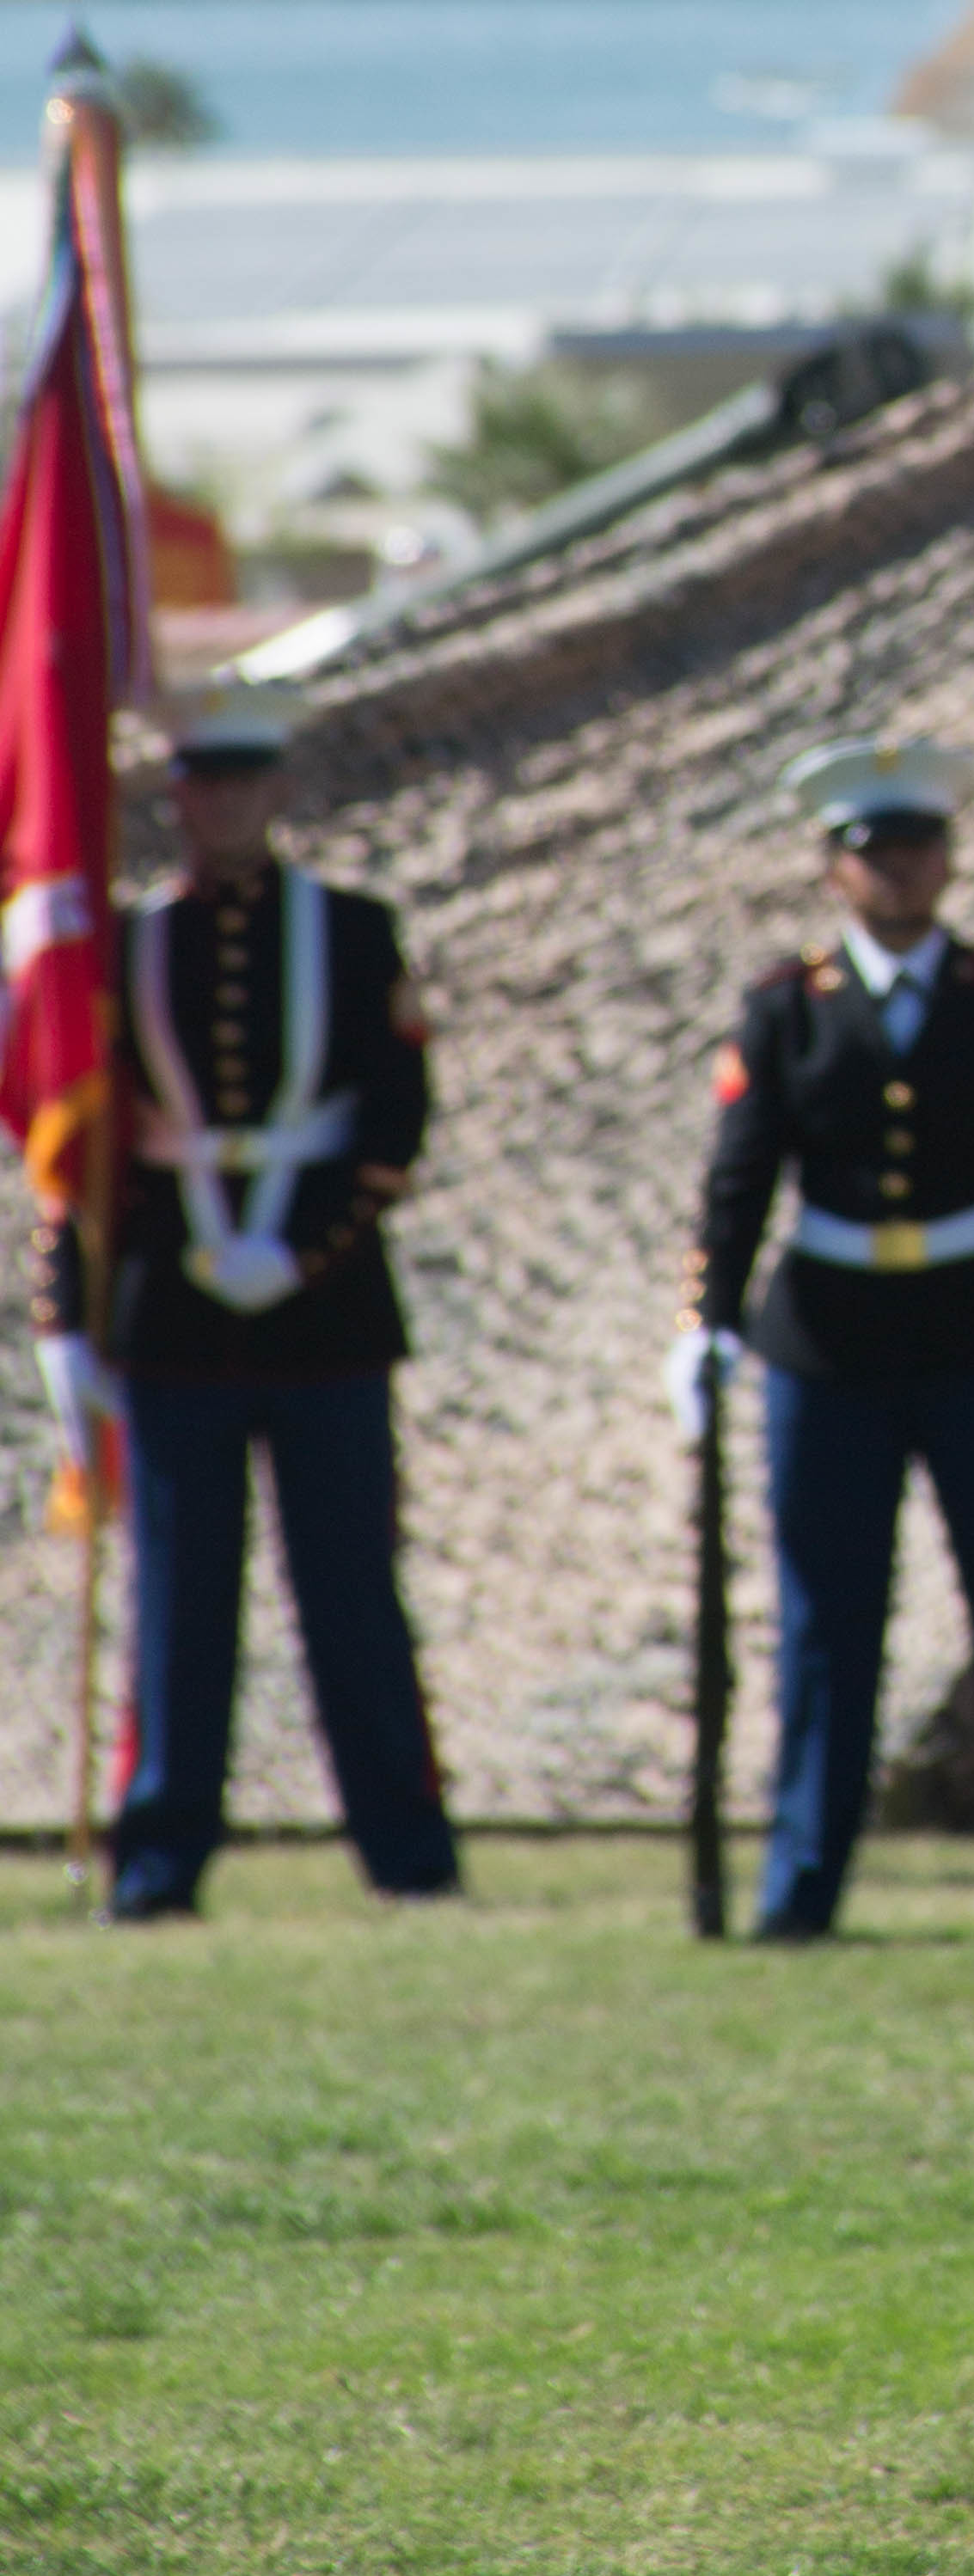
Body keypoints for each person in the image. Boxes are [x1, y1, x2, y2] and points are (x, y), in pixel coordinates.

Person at [672, 736, 974, 1938]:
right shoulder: (786, 1006)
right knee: (828, 1621)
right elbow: (741, 1173)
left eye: (918, 848)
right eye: (874, 853)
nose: (899, 872)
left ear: (950, 859)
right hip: (825, 1345)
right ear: (835, 871)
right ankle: (802, 1886)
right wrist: (707, 1322)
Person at [34, 689, 460, 1921]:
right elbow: (84, 1145)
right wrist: (75, 1313)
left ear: (278, 792)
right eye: (199, 784)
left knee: (351, 1594)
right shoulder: (123, 945)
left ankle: (407, 1850)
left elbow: (394, 1118)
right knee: (179, 1601)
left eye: (242, 781)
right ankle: (161, 1855)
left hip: (323, 1313)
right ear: (177, 799)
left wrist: (305, 1246)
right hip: (176, 1316)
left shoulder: (357, 932)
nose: (220, 803)